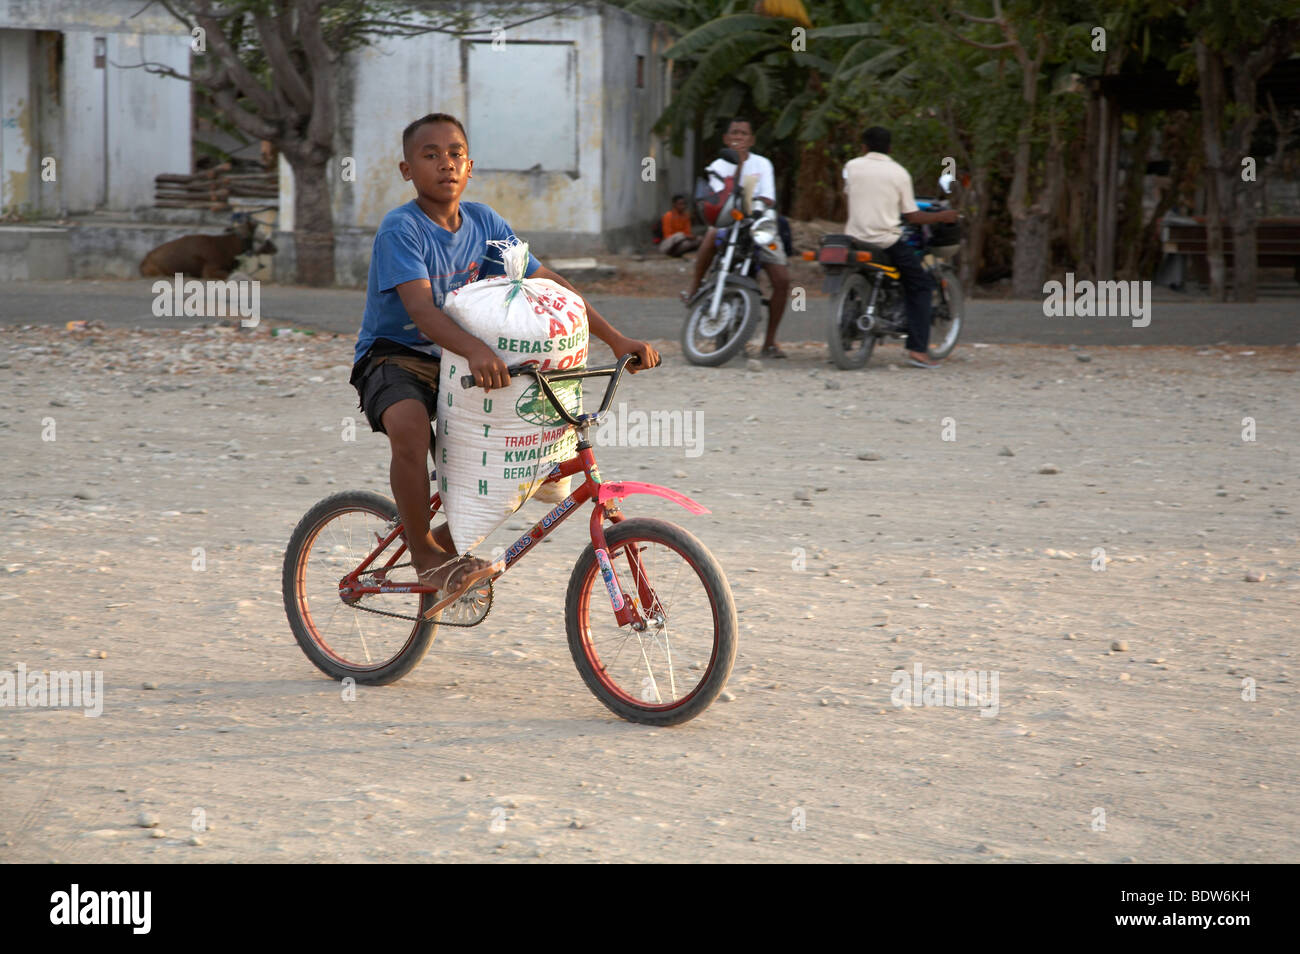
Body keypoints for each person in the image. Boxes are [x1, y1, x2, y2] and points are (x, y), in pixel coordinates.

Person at [349, 112, 660, 610]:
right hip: (396, 357)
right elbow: (421, 310)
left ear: (470, 166)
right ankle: (427, 554)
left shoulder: (486, 222)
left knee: (522, 447)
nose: (444, 164)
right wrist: (475, 350)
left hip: (462, 361)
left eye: (455, 154)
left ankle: (455, 545)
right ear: (407, 170)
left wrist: (616, 338)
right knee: (409, 427)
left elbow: (546, 286)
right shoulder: (400, 228)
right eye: (429, 155)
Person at [842, 125, 960, 369]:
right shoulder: (899, 173)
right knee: (921, 285)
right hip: (885, 241)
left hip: (854, 238)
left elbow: (849, 194)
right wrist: (942, 216)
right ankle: (918, 351)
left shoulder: (851, 167)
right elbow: (913, 217)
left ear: (863, 147)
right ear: (890, 149)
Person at [684, 118, 791, 359]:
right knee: (710, 236)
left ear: (751, 140)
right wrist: (738, 166)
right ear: (725, 138)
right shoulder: (718, 166)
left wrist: (751, 204)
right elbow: (716, 200)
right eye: (734, 133)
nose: (738, 137)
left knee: (782, 278)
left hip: (759, 223)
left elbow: (768, 199)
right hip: (728, 222)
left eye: (743, 134)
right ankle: (694, 288)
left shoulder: (763, 164)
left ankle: (770, 341)